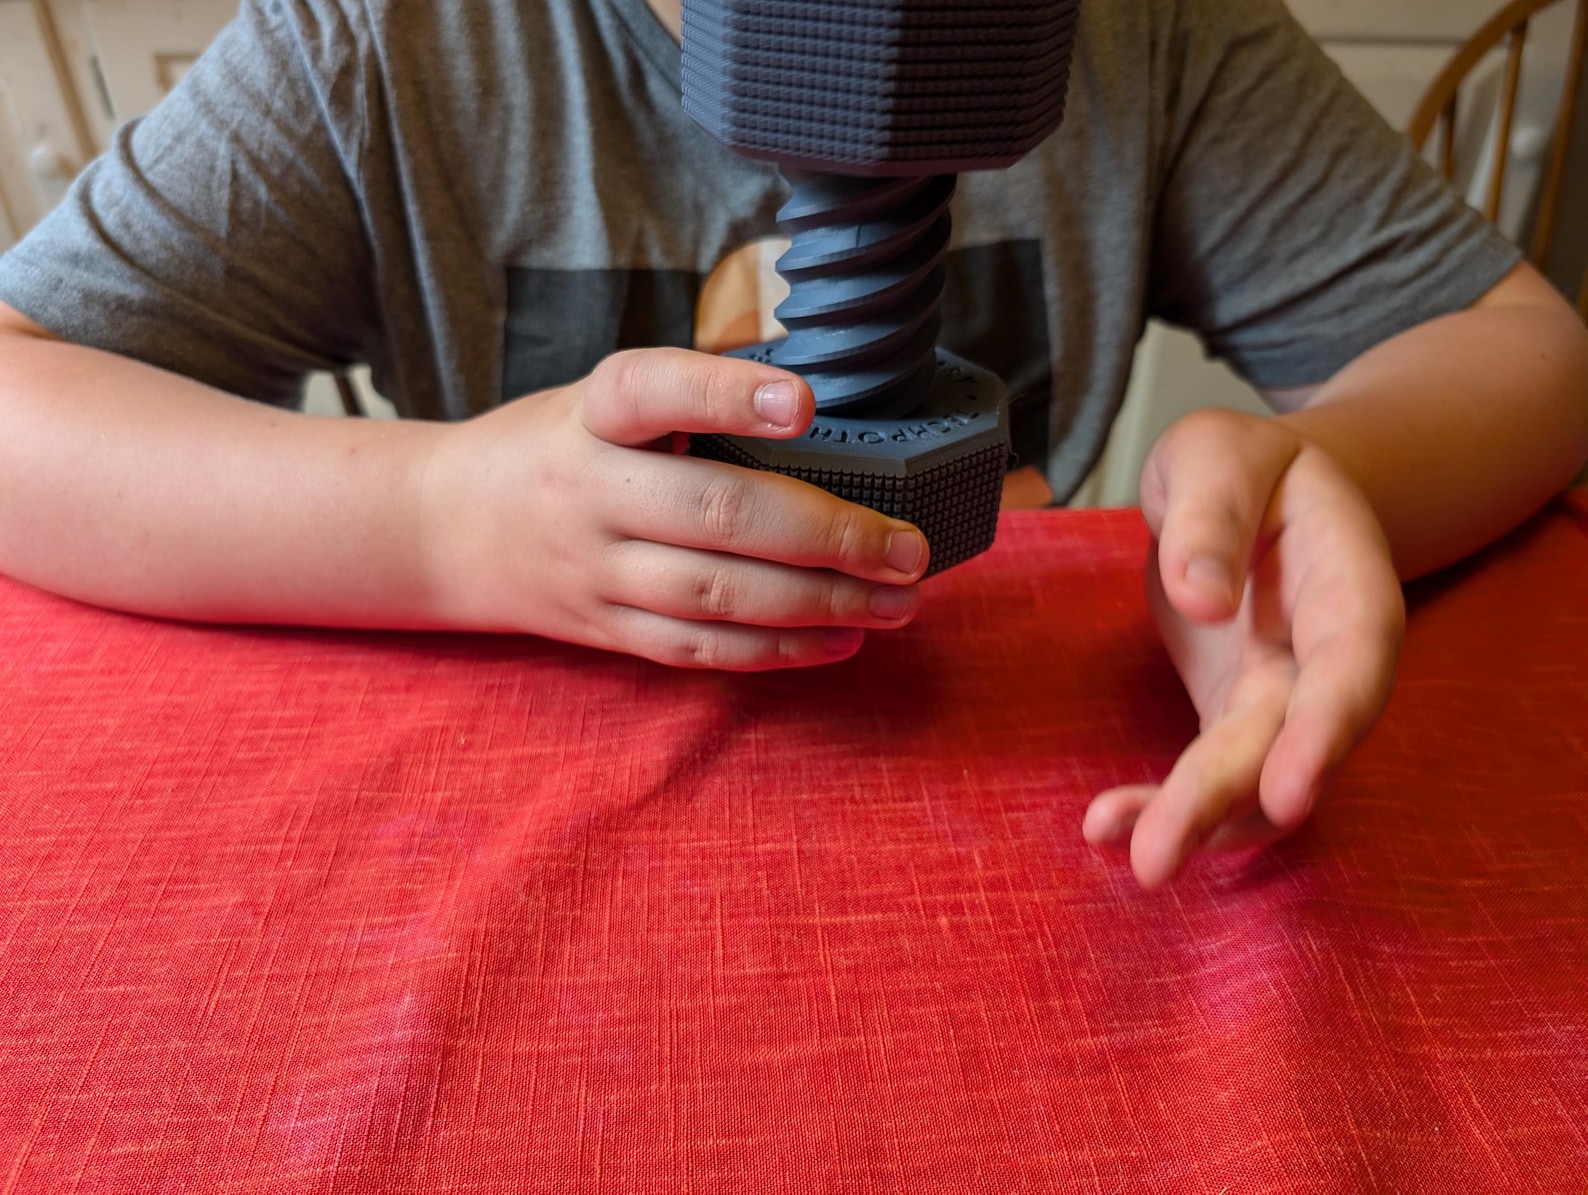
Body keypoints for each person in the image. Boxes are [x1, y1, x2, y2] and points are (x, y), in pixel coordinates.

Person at [0, 0, 1584, 888]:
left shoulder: (1155, 36)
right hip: (512, 847)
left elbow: (1528, 349)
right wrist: (438, 516)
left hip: (1017, 821)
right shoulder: (386, 46)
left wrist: (1313, 475)